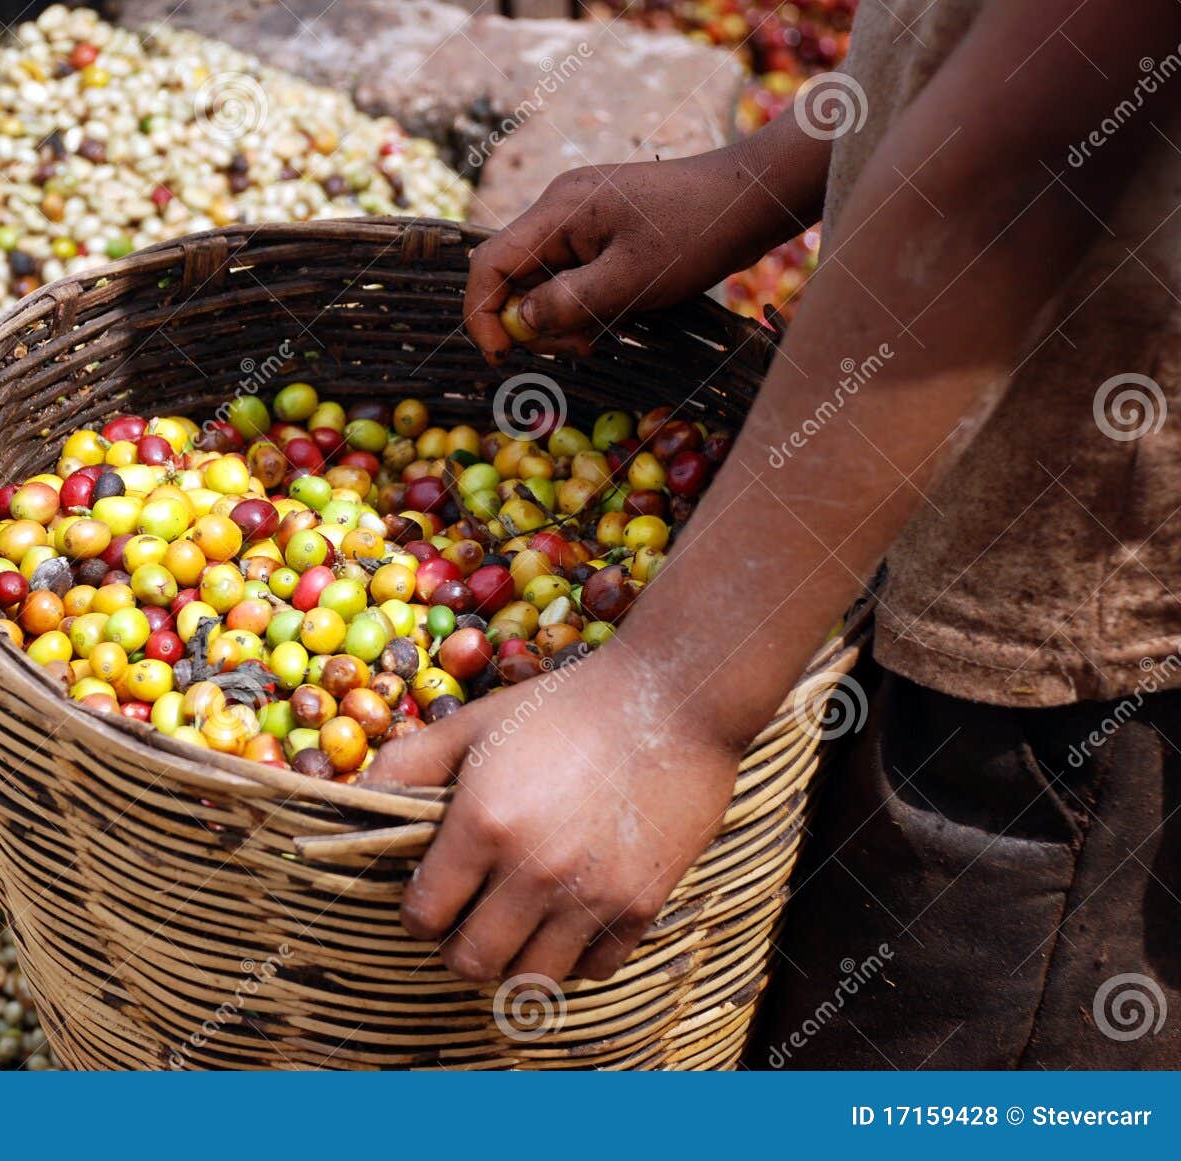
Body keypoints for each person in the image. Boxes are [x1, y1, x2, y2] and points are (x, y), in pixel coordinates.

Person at [360, 0, 1181, 1067]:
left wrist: (669, 699)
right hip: (921, 518)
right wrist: (768, 175)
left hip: (1075, 665)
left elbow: (1031, 147)